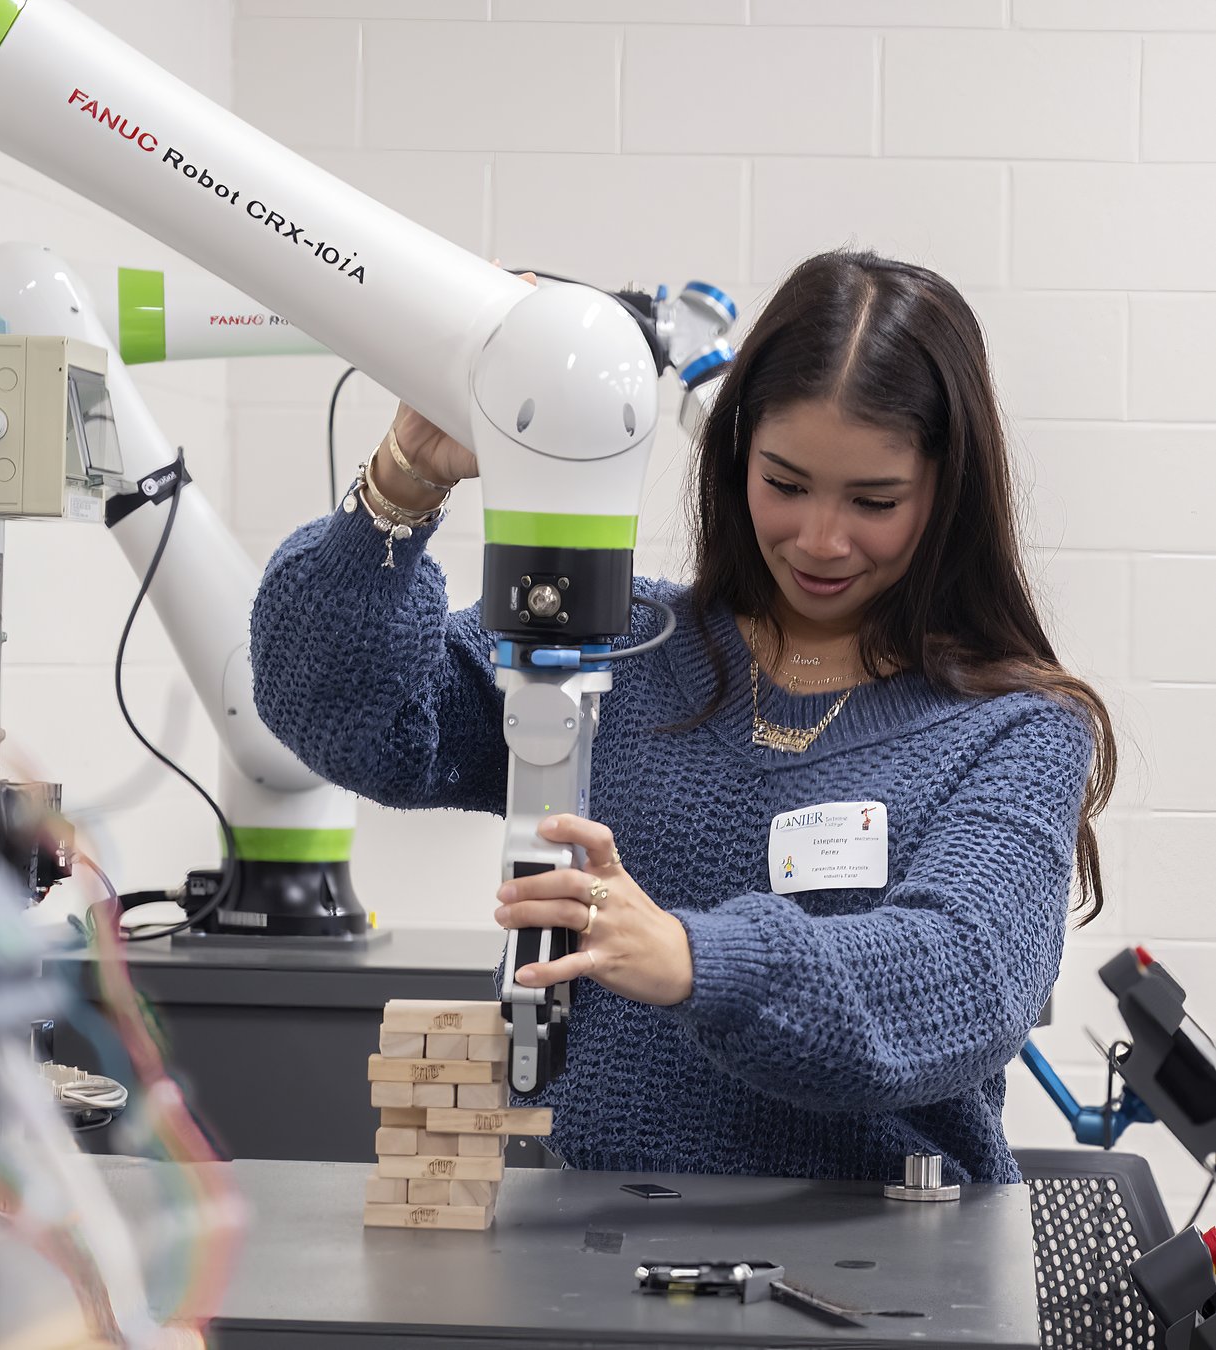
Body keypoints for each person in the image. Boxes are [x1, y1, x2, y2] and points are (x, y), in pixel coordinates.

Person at [249, 250, 1115, 1184]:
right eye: (784, 484)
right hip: (603, 1259)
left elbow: (963, 981)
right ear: (737, 455)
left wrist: (691, 959)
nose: (820, 540)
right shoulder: (616, 647)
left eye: (873, 502)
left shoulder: (1013, 728)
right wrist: (404, 481)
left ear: (948, 492)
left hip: (887, 1285)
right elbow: (341, 713)